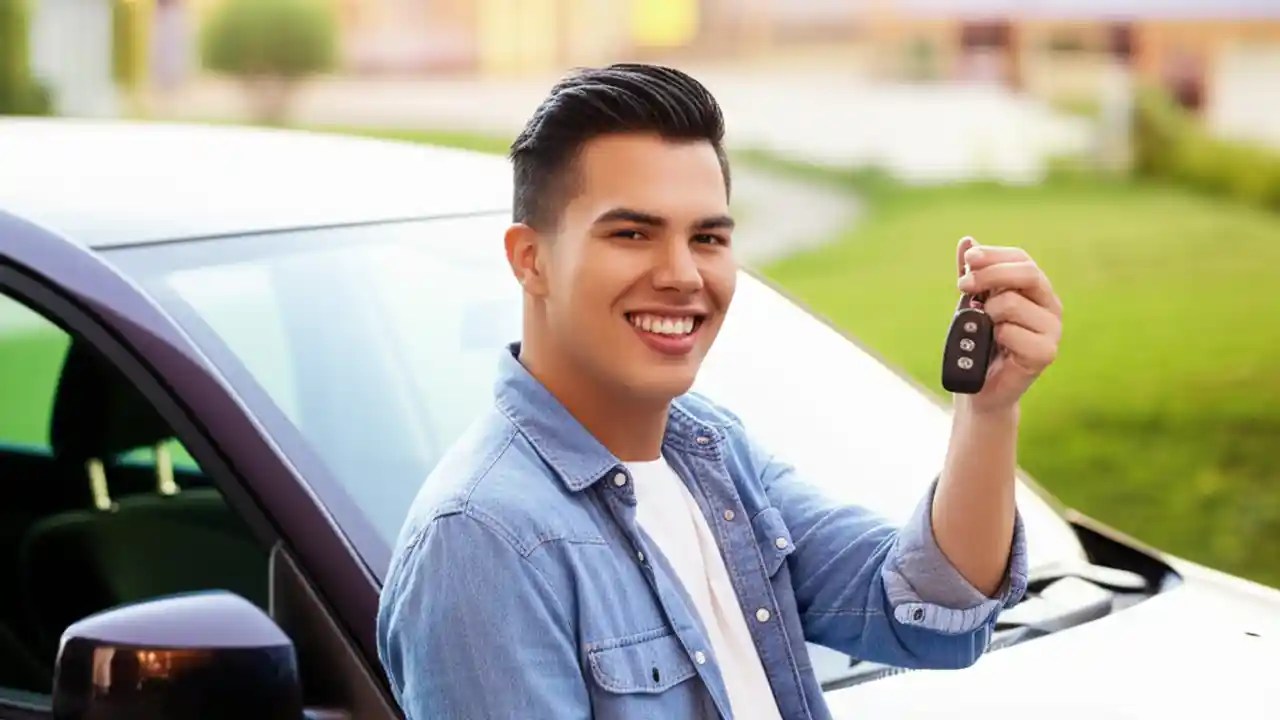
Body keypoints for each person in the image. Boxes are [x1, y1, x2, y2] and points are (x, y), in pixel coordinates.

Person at [377, 63, 1063, 720]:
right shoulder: (482, 542)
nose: (681, 274)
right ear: (532, 260)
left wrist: (989, 409)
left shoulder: (708, 451)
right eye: (632, 233)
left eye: (706, 237)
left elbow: (922, 607)